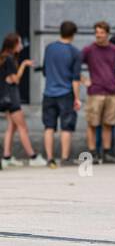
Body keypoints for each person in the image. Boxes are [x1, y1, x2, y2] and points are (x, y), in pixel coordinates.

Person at [81, 21, 115, 164]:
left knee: (108, 124)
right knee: (92, 124)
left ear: (107, 34)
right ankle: (92, 153)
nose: (99, 35)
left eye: (102, 33)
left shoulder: (114, 50)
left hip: (112, 92)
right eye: (97, 32)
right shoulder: (89, 50)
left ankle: (107, 152)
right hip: (95, 92)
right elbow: (74, 64)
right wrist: (83, 79)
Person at [0, 32, 47, 168]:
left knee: (12, 127)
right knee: (23, 128)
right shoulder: (8, 59)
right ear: (13, 44)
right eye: (19, 43)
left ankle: (7, 157)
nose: (21, 46)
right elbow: (15, 79)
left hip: (7, 97)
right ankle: (32, 156)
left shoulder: (4, 57)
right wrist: (24, 65)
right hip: (12, 98)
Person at [42, 20, 82, 169]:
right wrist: (77, 98)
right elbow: (76, 79)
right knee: (66, 127)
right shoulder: (75, 52)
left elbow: (45, 71)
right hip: (66, 93)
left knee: (49, 126)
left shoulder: (49, 48)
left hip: (48, 92)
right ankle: (65, 159)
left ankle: (50, 159)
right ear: (73, 34)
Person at [95, 34, 115, 157]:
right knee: (110, 123)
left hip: (99, 92)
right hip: (113, 93)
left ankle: (97, 150)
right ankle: (109, 150)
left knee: (98, 123)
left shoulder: (104, 57)